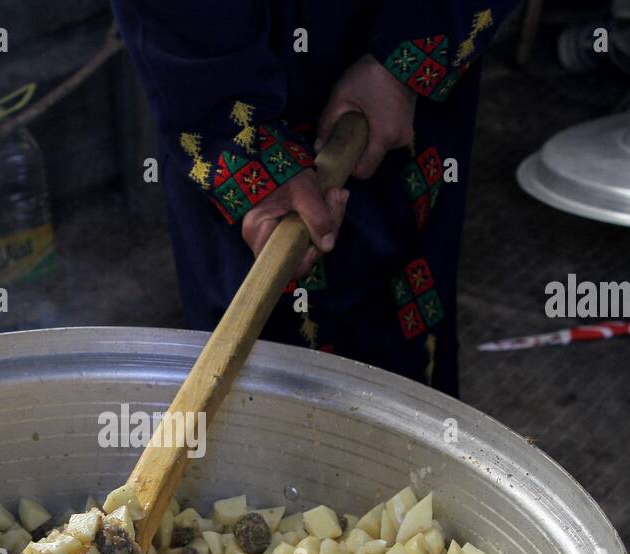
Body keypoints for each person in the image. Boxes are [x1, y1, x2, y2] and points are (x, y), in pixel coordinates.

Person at [111, 0, 520, 396]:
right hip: (221, 65)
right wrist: (243, 151)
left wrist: (404, 62)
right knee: (257, 365)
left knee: (403, 343)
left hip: (401, 73)